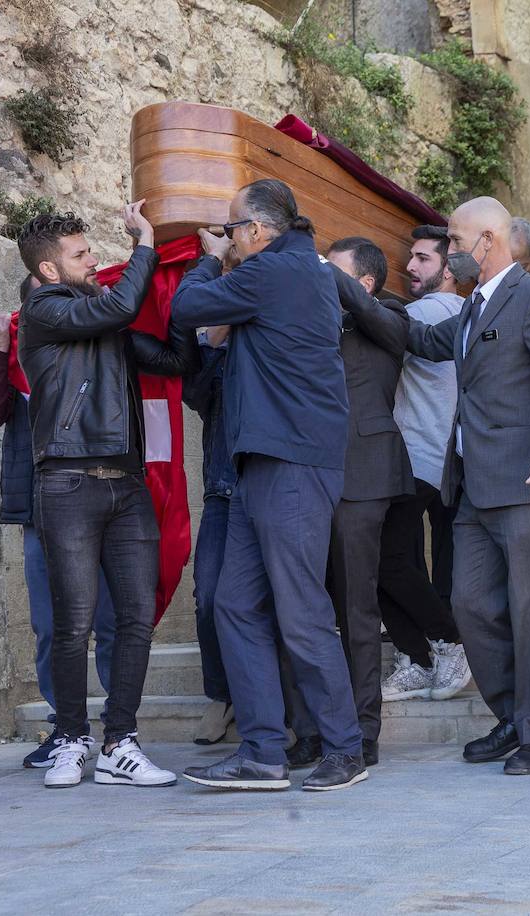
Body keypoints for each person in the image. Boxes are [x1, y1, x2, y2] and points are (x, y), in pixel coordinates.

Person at [171, 179, 368, 793]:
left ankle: (344, 748)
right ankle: (262, 753)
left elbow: (185, 309)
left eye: (233, 229)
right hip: (264, 462)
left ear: (258, 229)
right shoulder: (287, 271)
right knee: (233, 603)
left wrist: (207, 259)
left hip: (293, 464)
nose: (229, 238)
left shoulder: (279, 270)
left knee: (302, 611)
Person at [16, 205, 199, 789]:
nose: (94, 259)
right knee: (72, 623)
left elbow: (173, 361)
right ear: (48, 270)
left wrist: (187, 292)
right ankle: (70, 738)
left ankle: (121, 742)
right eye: (80, 254)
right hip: (67, 483)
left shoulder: (106, 326)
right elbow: (119, 304)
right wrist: (146, 243)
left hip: (127, 485)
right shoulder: (42, 311)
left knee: (136, 619)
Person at [407, 196, 530, 776]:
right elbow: (429, 343)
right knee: (471, 604)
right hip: (474, 485)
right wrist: (356, 302)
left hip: (528, 479)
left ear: (489, 240)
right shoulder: (473, 307)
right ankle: (512, 714)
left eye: (456, 243)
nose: (451, 253)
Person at [0, 276, 119, 768]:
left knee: (111, 621)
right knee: (51, 625)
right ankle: (65, 728)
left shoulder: (94, 350)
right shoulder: (16, 360)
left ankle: (122, 730)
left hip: (102, 504)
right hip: (40, 510)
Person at [306, 235, 413, 768]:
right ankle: (312, 727)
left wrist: (334, 282)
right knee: (306, 607)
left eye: (337, 271)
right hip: (308, 476)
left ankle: (362, 730)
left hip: (365, 476)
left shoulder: (387, 310)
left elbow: (391, 330)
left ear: (363, 282)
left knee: (356, 609)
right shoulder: (319, 314)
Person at [378, 225, 470, 703]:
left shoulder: (421, 313)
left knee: (383, 557)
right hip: (438, 461)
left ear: (450, 270)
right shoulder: (468, 315)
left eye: (423, 259)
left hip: (411, 457)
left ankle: (443, 643)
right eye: (409, 258)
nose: (410, 267)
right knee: (391, 558)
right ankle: (419, 655)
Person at [179, 322, 235, 745]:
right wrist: (215, 343)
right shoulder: (210, 343)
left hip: (270, 489)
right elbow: (194, 396)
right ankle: (222, 694)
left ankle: (284, 705)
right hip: (221, 489)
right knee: (209, 596)